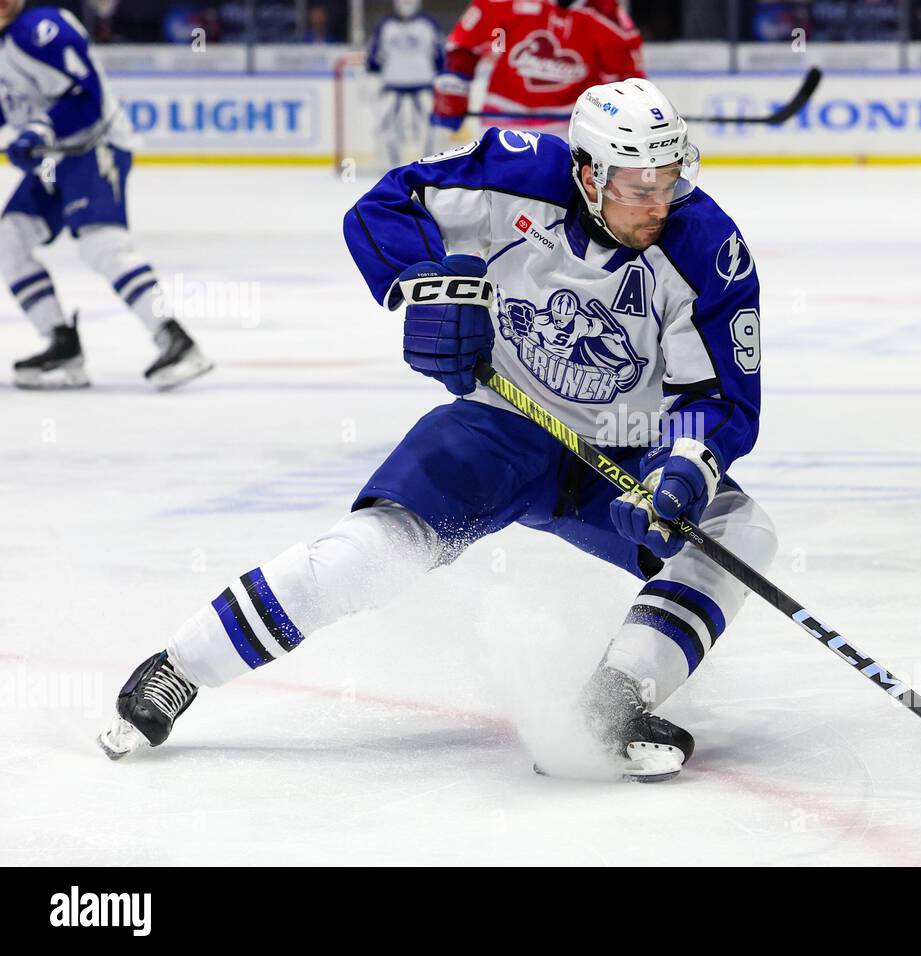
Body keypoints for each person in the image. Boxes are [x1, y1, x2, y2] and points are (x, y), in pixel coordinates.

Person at [98, 78, 776, 781]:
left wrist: (682, 469)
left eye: (671, 180)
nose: (660, 204)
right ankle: (180, 665)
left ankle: (613, 702)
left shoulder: (708, 249)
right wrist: (429, 288)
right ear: (587, 174)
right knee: (367, 556)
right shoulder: (514, 174)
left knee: (740, 533)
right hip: (501, 426)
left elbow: (719, 396)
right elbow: (390, 202)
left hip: (624, 447)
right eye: (640, 188)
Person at [0, 0, 212, 389]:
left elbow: (87, 97)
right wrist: (30, 135)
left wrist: (38, 131)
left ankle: (175, 339)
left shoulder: (40, 29)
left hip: (94, 146)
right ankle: (62, 344)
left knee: (102, 244)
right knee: (9, 237)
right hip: (55, 158)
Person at [433, 0, 643, 139]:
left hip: (570, 128)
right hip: (503, 122)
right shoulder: (504, 4)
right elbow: (463, 48)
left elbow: (626, 79)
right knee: (499, 189)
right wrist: (452, 94)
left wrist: (621, 120)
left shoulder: (607, 13)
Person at [366, 0, 443, 166]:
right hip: (392, 87)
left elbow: (440, 56)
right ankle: (392, 167)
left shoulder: (428, 24)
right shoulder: (385, 25)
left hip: (423, 87)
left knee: (431, 128)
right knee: (387, 129)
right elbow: (373, 58)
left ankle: (429, 166)